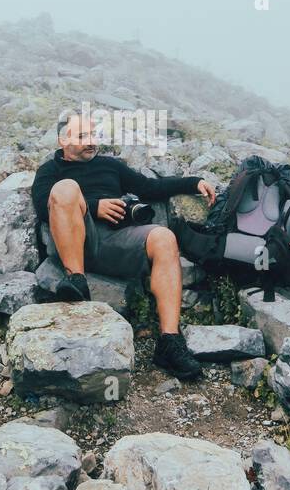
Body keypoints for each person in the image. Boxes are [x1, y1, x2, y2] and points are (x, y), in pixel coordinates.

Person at [30, 109, 217, 380]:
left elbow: (150, 188)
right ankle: (76, 281)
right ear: (63, 140)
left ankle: (169, 341)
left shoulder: (110, 165)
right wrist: (94, 207)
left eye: (93, 134)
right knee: (66, 188)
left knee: (164, 238)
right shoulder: (51, 170)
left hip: (117, 241)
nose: (91, 140)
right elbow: (43, 207)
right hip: (75, 241)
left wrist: (193, 182)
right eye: (82, 135)